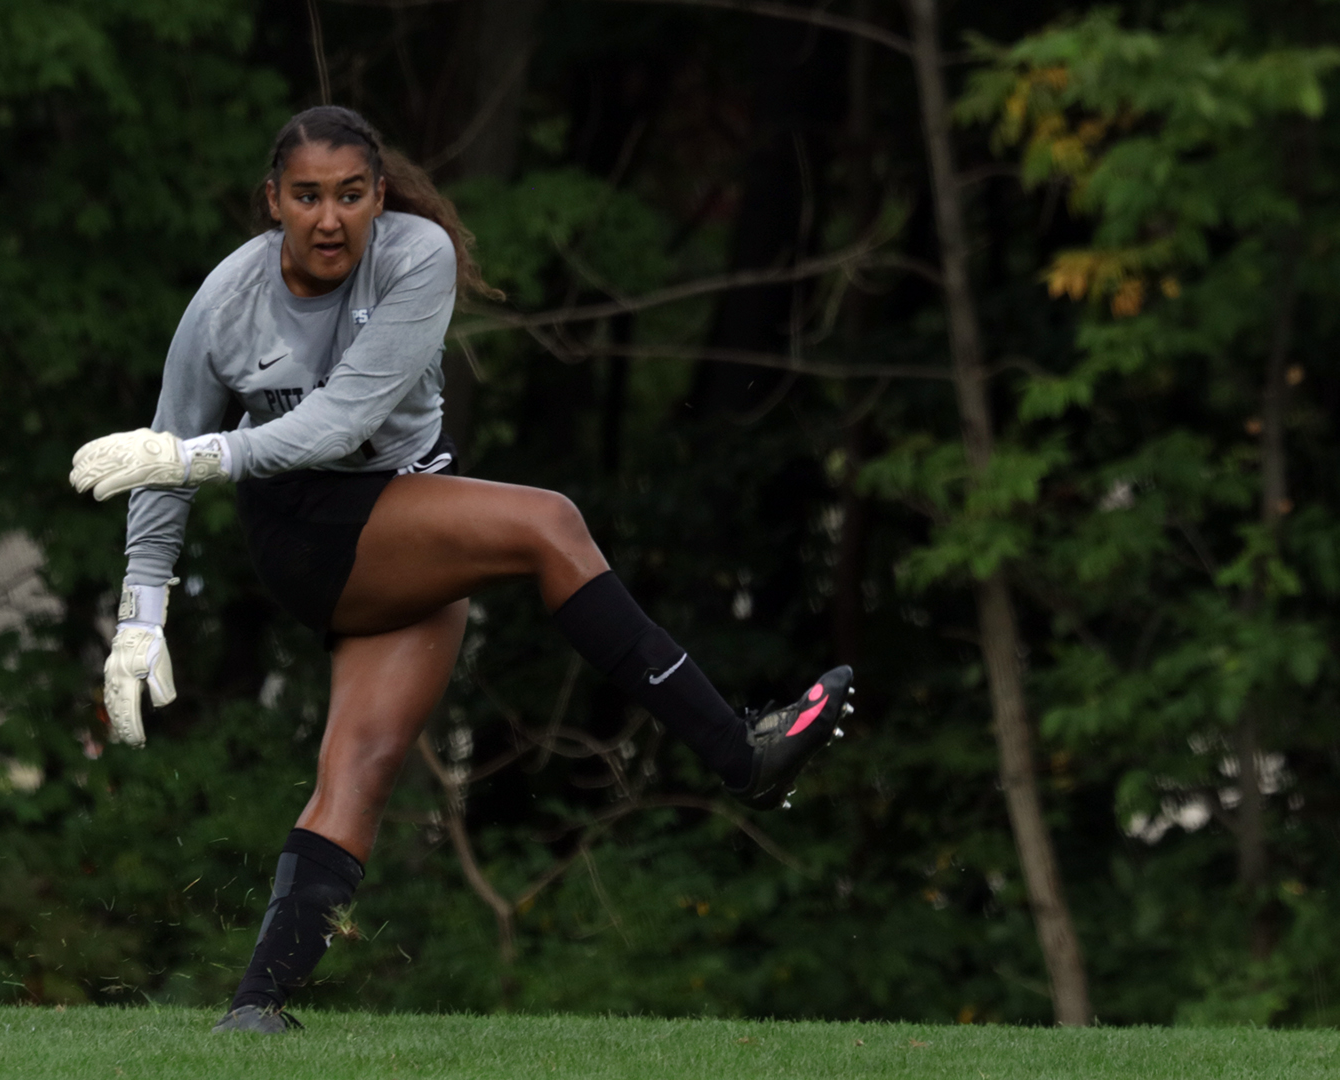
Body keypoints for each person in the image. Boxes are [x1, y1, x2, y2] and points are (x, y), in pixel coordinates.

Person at [66, 106, 853, 1034]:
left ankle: (256, 1008)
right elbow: (159, 453)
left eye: (351, 196)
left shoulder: (417, 256)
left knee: (362, 764)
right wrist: (141, 618)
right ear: (273, 200)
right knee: (547, 523)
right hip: (307, 534)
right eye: (308, 197)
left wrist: (197, 459)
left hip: (403, 517)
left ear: (379, 197)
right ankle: (738, 752)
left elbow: (342, 423)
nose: (330, 219)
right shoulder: (225, 301)